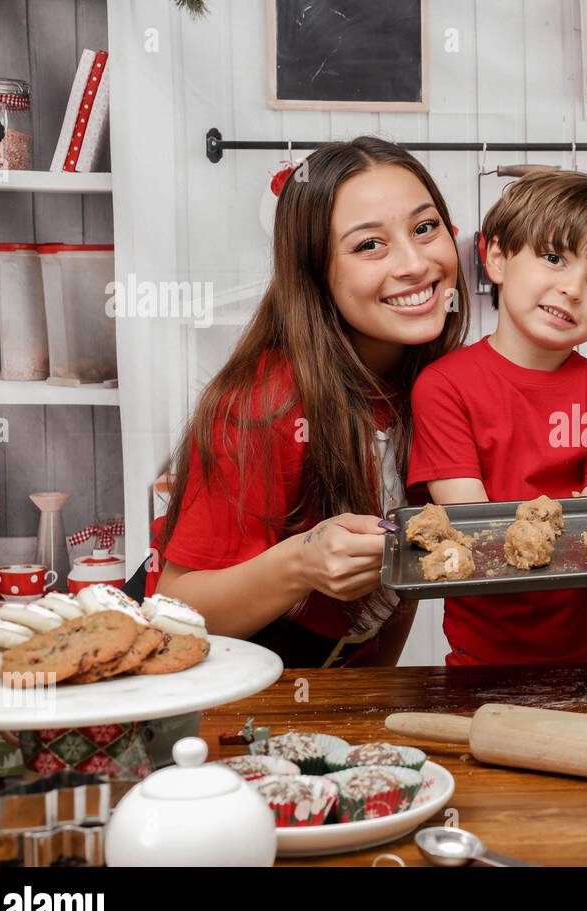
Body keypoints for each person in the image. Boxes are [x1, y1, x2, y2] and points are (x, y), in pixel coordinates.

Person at [154, 137, 469, 667]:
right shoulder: (261, 407)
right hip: (224, 685)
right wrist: (302, 564)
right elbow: (173, 610)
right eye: (369, 245)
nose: (415, 264)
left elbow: (398, 588)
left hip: (332, 682)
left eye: (424, 227)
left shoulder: (437, 385)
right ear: (315, 274)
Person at [408, 170, 587, 664]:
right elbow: (470, 528)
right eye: (553, 257)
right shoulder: (443, 387)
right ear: (496, 257)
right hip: (483, 654)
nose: (572, 289)